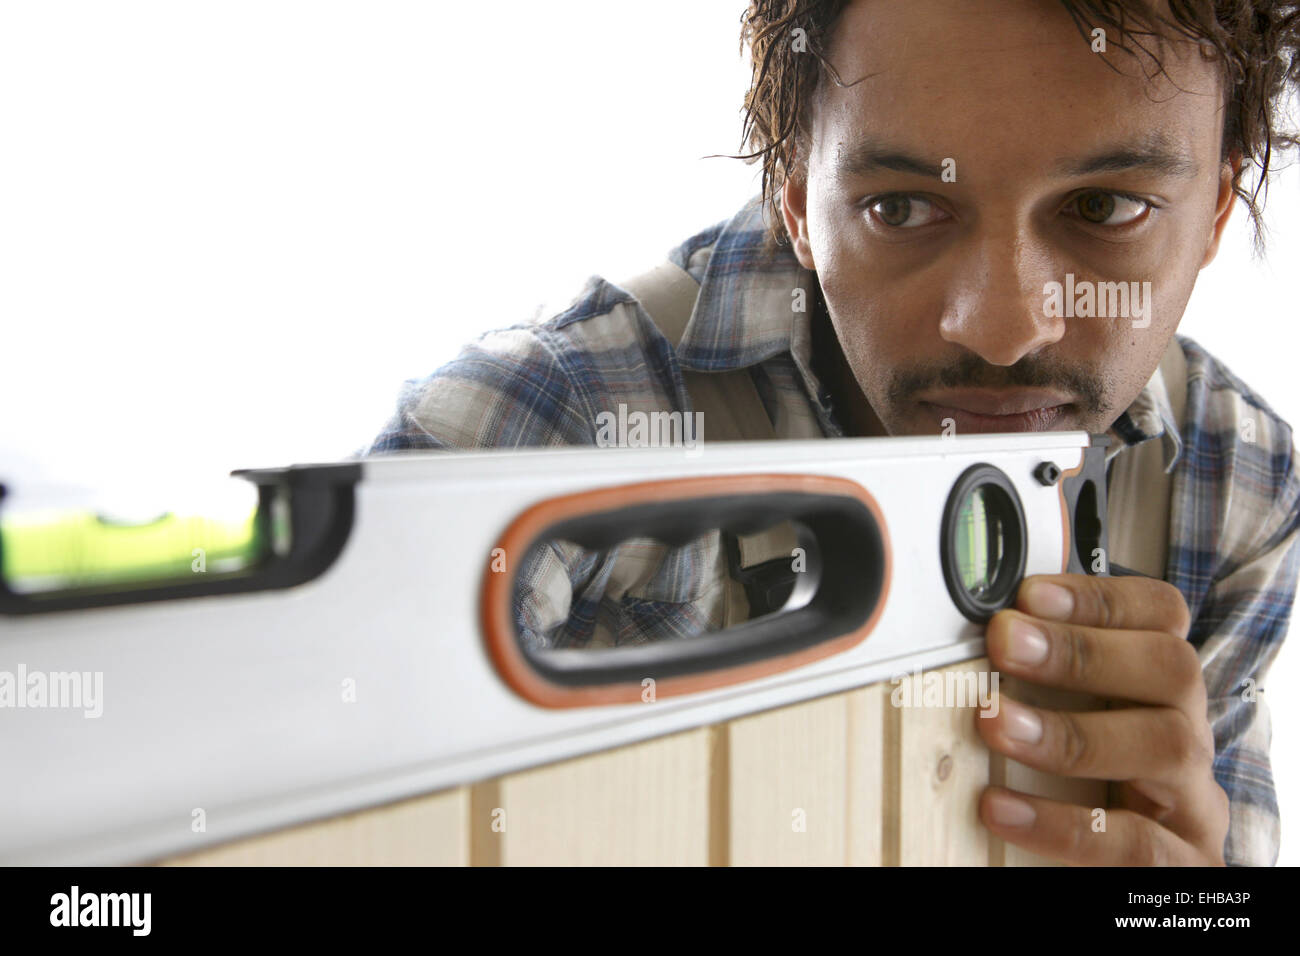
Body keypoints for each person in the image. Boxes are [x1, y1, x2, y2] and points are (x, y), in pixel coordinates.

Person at [362, 1, 1300, 866]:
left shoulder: (1234, 482)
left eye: (1103, 208)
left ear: (1217, 211)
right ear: (796, 200)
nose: (1004, 328)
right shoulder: (536, 438)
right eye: (900, 207)